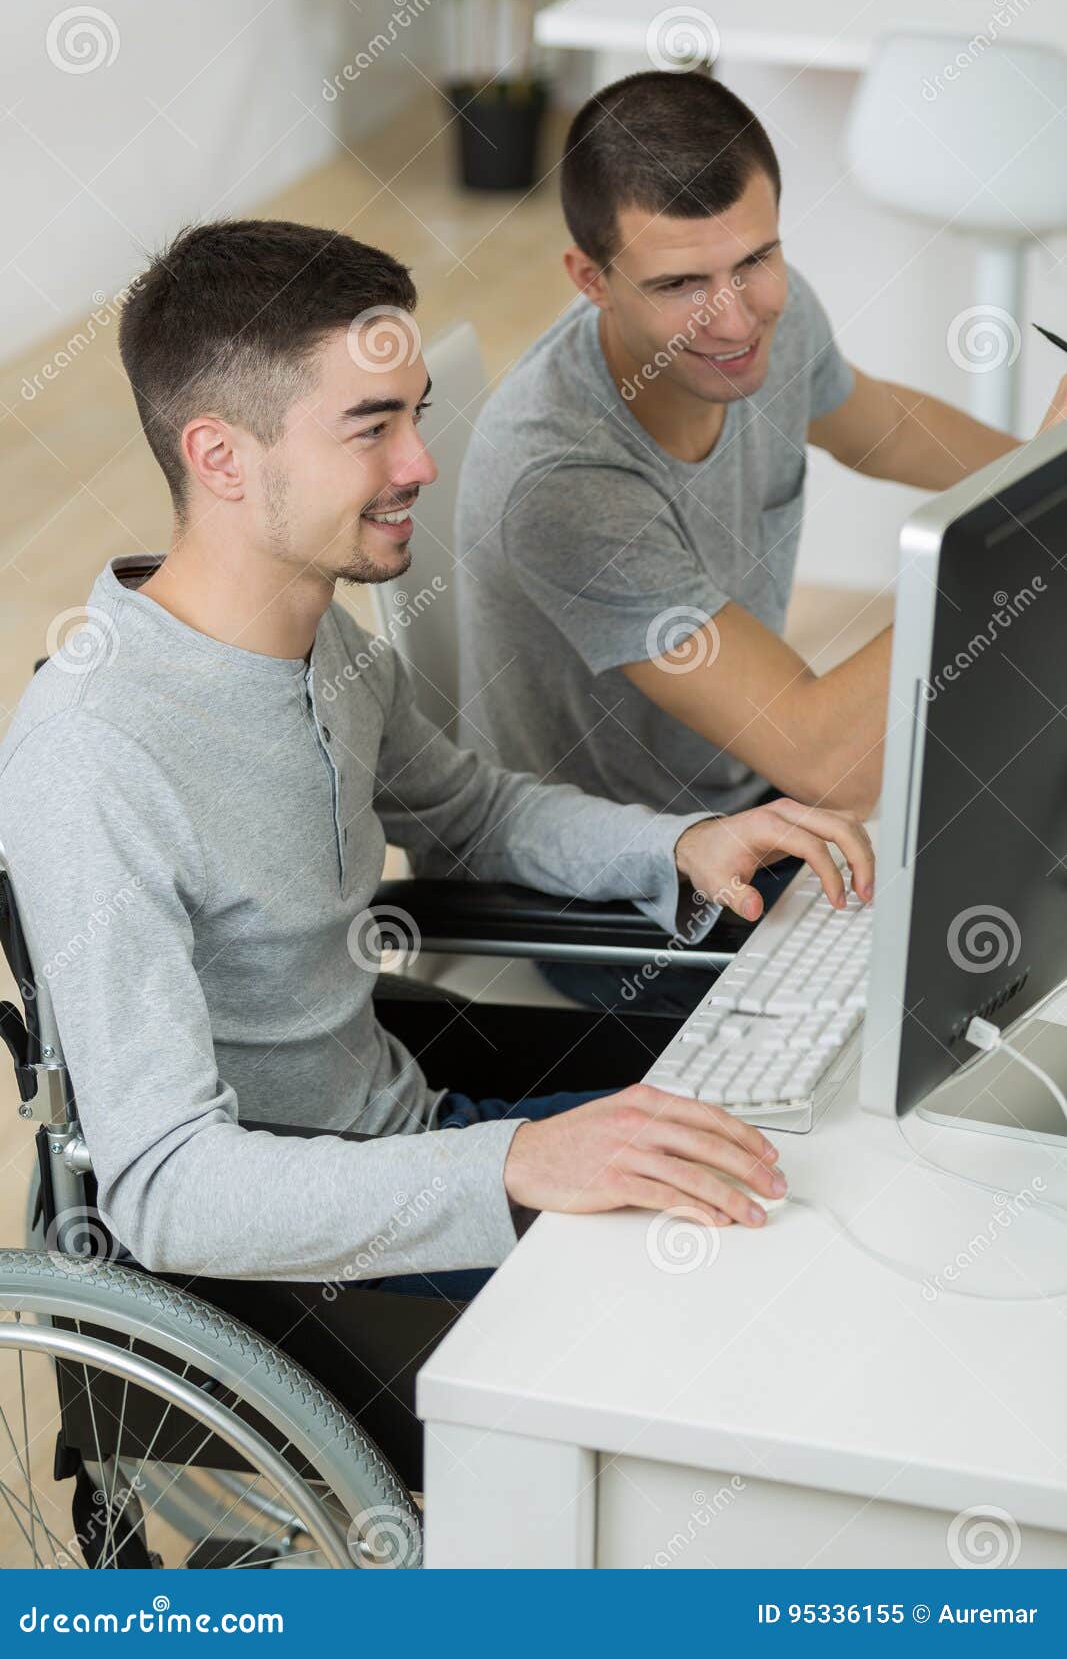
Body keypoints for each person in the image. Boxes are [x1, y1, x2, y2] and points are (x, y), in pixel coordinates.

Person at [0, 219, 874, 1305]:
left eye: (414, 414)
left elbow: (472, 812)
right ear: (220, 456)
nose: (420, 462)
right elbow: (165, 1190)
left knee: (815, 1152)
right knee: (775, 1262)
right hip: (312, 1266)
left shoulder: (318, 638)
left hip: (414, 1137)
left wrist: (682, 844)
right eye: (371, 428)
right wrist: (512, 1162)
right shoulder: (93, 758)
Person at [454, 69, 1067, 1014]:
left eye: (755, 260)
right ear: (589, 279)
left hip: (757, 810)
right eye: (678, 285)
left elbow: (878, 427)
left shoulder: (754, 318)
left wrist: (1039, 477)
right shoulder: (561, 480)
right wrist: (1038, 516)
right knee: (975, 970)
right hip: (623, 888)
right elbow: (829, 766)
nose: (735, 319)